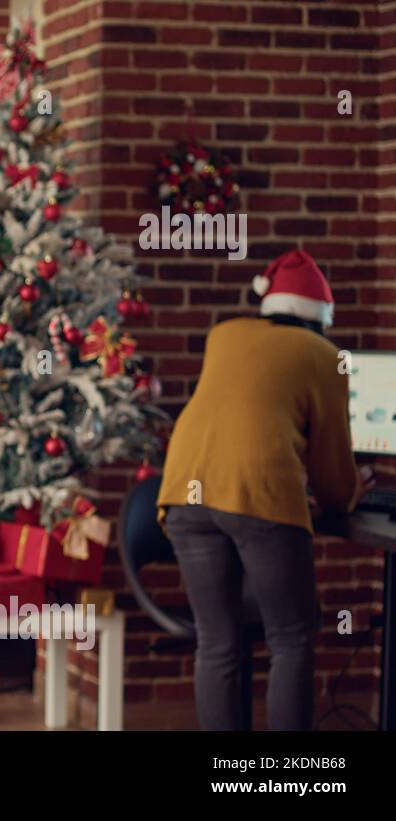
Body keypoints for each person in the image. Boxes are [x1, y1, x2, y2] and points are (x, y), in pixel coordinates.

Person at [156, 249, 372, 731]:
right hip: (259, 495)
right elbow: (336, 479)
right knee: (291, 638)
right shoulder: (326, 357)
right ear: (320, 318)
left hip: (184, 494)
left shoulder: (224, 334)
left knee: (217, 640)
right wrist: (353, 494)